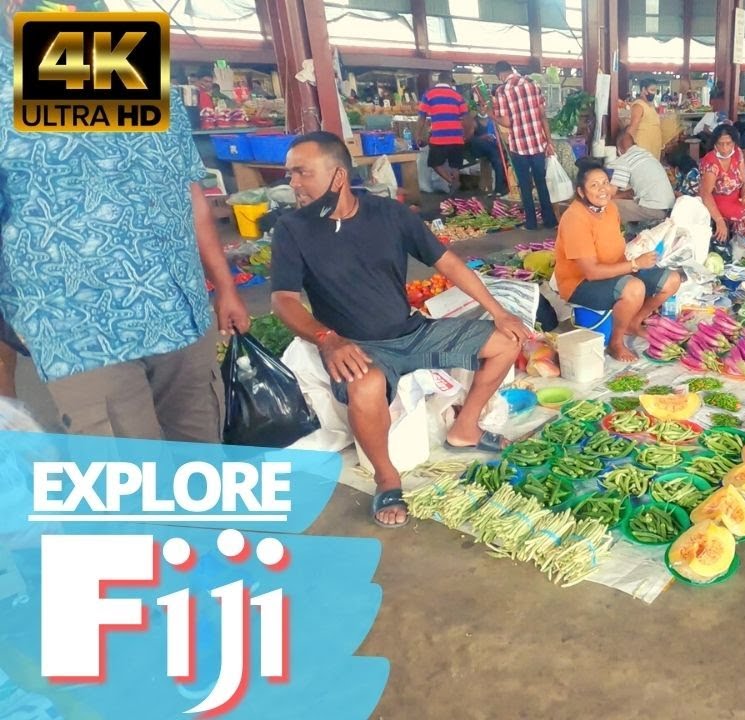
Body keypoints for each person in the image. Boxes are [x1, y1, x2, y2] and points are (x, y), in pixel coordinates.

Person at [271, 132, 528, 527]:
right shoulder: (293, 230)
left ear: (337, 176)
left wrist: (498, 311)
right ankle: (387, 477)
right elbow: (283, 299)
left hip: (412, 331)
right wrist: (327, 339)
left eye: (301, 173)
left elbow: (449, 264)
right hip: (358, 345)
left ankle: (465, 427)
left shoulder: (390, 214)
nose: (293, 183)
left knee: (507, 342)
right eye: (290, 174)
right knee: (365, 384)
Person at [0, 37, 249, 439]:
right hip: (80, 328)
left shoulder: (138, 70)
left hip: (181, 312)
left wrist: (225, 287)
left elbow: (189, 193)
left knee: (199, 452)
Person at [554, 161, 680, 363]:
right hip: (580, 284)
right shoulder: (575, 218)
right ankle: (615, 342)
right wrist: (635, 264)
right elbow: (592, 273)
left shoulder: (610, 208)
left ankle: (634, 322)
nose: (603, 189)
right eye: (594, 185)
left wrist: (636, 248)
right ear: (581, 191)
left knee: (672, 279)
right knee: (634, 288)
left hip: (616, 272)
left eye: (605, 182)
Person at [492, 60, 558, 231]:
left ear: (500, 75)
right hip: (537, 143)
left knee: (525, 185)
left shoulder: (501, 91)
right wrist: (549, 142)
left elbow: (506, 122)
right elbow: (543, 116)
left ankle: (531, 223)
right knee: (541, 183)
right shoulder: (532, 84)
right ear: (511, 69)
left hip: (518, 146)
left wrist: (491, 115)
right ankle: (550, 220)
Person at [608, 132, 676, 225]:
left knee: (608, 206)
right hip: (669, 208)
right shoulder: (647, 155)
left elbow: (610, 193)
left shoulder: (624, 160)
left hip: (653, 210)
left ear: (619, 149)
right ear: (634, 143)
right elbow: (633, 192)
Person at [418, 71, 469, 193]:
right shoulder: (458, 96)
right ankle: (454, 189)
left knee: (434, 163)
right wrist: (465, 135)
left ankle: (452, 182)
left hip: (439, 138)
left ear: (438, 81)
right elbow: (467, 119)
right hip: (457, 138)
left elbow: (422, 117)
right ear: (450, 82)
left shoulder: (429, 95)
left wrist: (418, 134)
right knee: (455, 165)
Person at [467, 91, 510, 197]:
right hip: (478, 148)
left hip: (492, 147)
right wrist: (484, 137)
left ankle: (499, 189)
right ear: (477, 108)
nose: (482, 108)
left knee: (498, 160)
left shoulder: (493, 120)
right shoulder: (474, 121)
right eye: (480, 106)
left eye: (484, 106)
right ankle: (499, 188)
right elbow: (470, 139)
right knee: (491, 150)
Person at [628, 78, 665, 160]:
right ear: (644, 89)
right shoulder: (638, 106)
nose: (654, 93)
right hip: (643, 151)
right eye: (652, 90)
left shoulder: (650, 106)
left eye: (655, 90)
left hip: (653, 150)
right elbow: (631, 130)